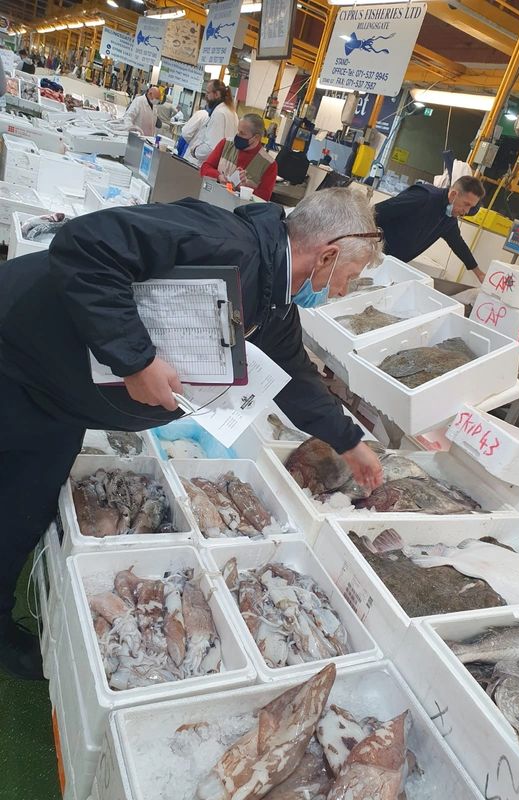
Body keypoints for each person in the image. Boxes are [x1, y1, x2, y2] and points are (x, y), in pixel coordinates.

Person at [0, 188, 384, 679]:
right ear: (327, 256)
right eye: (349, 277)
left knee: (22, 509)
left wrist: (350, 442)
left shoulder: (273, 300)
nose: (343, 292)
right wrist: (135, 359)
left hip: (58, 401)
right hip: (16, 357)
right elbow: (86, 243)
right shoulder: (226, 242)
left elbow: (295, 378)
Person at [375, 176, 487, 283]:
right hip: (373, 253)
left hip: (390, 263)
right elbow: (377, 211)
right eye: (466, 204)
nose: (466, 211)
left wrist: (479, 274)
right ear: (453, 194)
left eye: (471, 207)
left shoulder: (449, 219)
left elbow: (459, 245)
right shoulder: (425, 197)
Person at [200, 114, 277, 201]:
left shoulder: (269, 164)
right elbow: (205, 168)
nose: (237, 135)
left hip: (241, 207)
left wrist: (245, 188)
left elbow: (264, 197)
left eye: (242, 133)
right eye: (238, 131)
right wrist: (218, 176)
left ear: (256, 137)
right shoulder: (225, 144)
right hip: (213, 199)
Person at [183, 79, 238, 166]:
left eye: (208, 93)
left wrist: (195, 151)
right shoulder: (232, 113)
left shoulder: (219, 113)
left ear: (217, 94)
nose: (206, 96)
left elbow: (211, 148)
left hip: (205, 165)